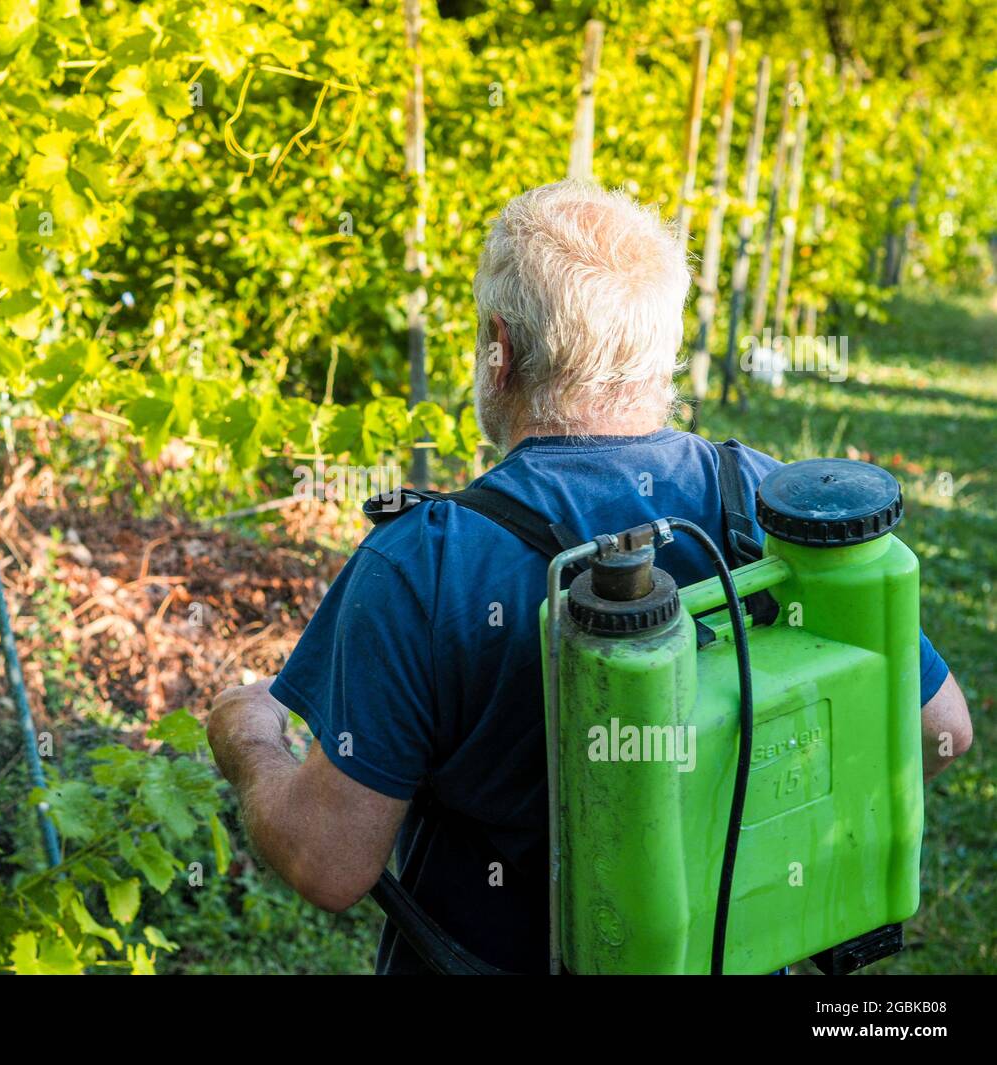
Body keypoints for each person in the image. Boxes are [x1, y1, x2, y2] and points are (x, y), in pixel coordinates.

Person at [206, 180, 974, 974]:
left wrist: (250, 738)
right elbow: (940, 727)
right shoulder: (770, 508)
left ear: (498, 348)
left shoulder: (423, 560)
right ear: (660, 350)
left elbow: (329, 861)